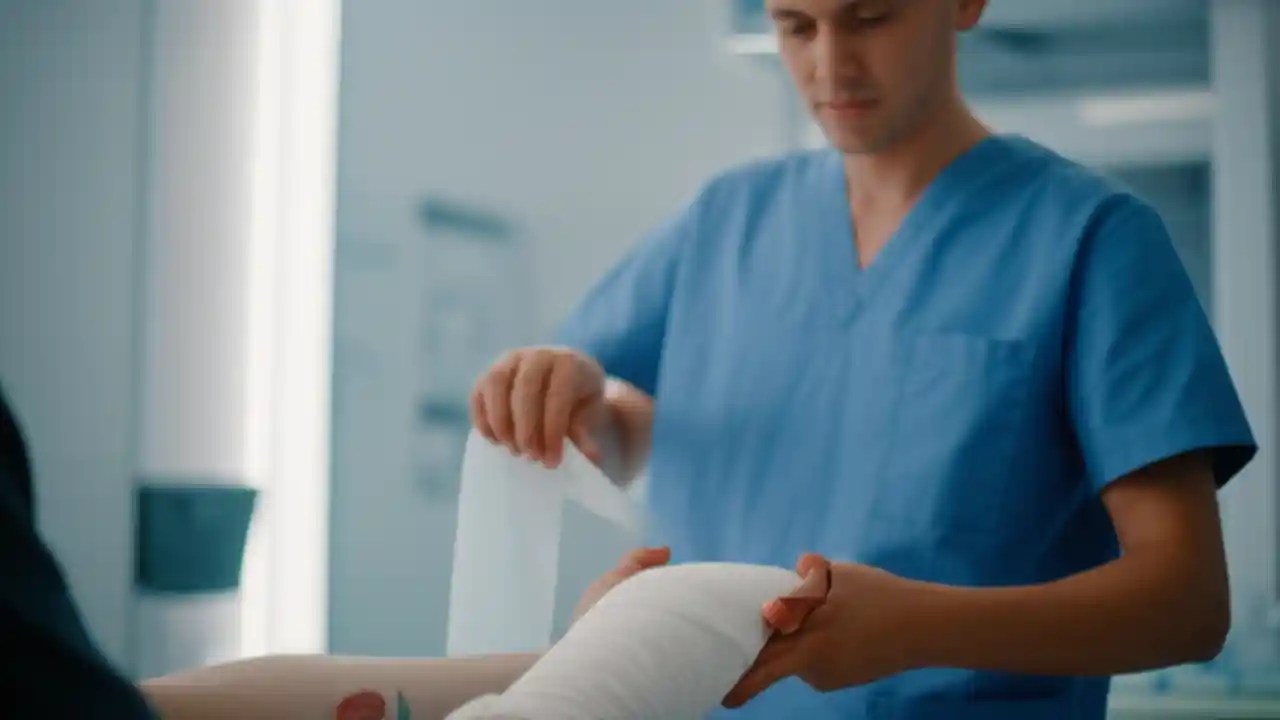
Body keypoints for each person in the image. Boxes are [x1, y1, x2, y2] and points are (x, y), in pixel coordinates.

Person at [468, 0, 1258, 717]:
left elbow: (1186, 601)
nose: (831, 67)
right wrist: (572, 399)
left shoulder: (1092, 240)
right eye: (796, 25)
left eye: (871, 17)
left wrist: (918, 628)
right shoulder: (725, 222)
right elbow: (633, 429)